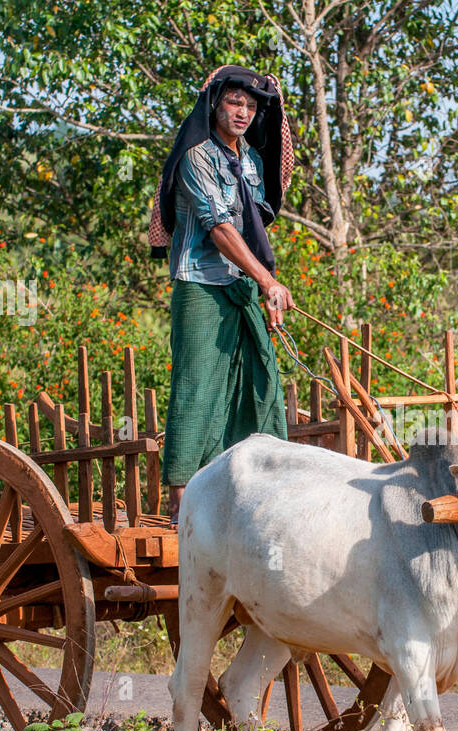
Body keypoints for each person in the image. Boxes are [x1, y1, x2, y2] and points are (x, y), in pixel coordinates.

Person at [149, 66, 295, 527]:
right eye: (235, 102)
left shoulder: (250, 160)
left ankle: (258, 490)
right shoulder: (196, 157)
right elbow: (220, 230)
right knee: (197, 387)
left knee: (261, 380)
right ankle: (182, 504)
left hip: (242, 286)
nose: (243, 112)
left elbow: (252, 229)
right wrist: (269, 282)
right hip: (200, 285)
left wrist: (264, 287)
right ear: (215, 104)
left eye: (251, 107)